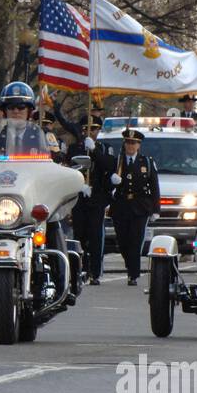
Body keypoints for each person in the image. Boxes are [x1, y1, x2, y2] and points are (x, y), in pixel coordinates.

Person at [108, 127, 160, 285]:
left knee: (135, 241)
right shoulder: (117, 161)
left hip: (140, 207)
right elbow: (106, 184)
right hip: (121, 207)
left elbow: (154, 186)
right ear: (124, 144)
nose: (130, 146)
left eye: (134, 143)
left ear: (139, 145)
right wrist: (112, 181)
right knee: (123, 242)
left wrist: (156, 209)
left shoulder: (147, 162)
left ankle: (133, 275)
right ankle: (130, 266)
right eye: (128, 143)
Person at [69, 116, 117, 285]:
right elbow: (69, 168)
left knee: (95, 237)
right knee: (79, 236)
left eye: (94, 129)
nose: (90, 132)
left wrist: (94, 150)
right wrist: (79, 184)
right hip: (79, 198)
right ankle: (79, 271)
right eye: (86, 129)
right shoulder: (74, 148)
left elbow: (110, 165)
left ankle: (95, 272)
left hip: (97, 198)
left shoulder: (105, 148)